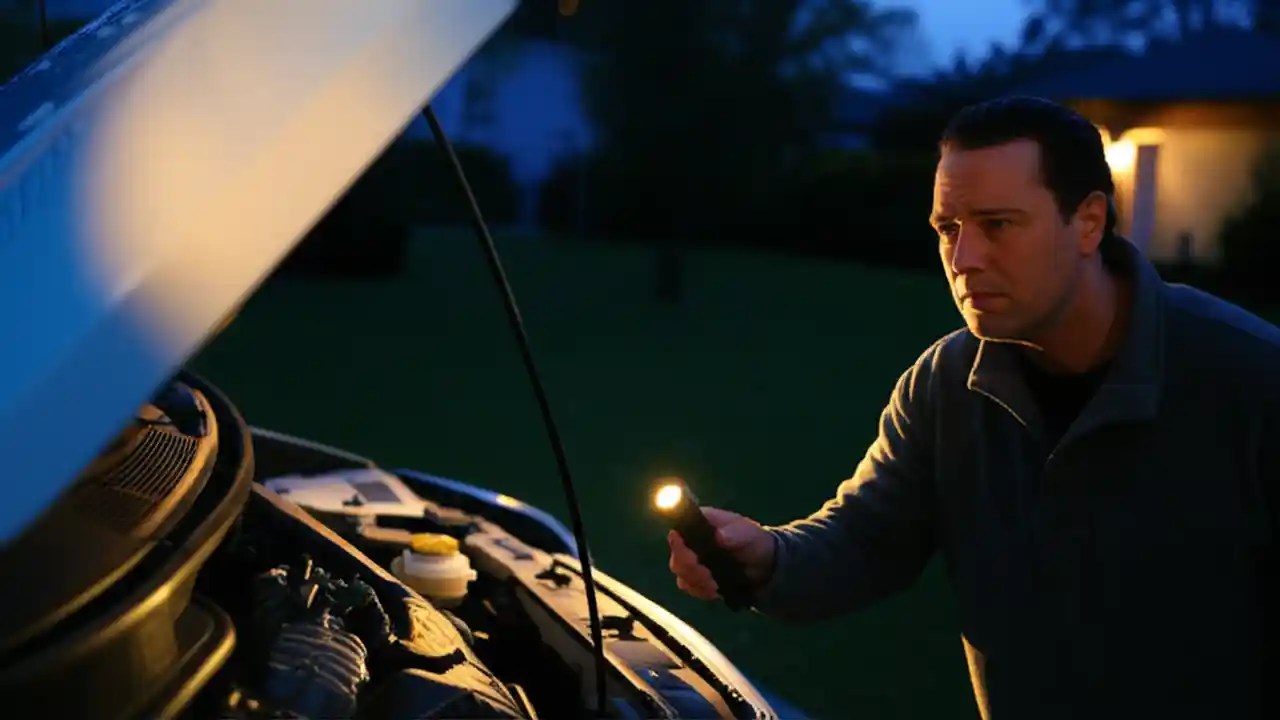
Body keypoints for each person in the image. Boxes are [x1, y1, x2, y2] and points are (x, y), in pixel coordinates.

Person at [667, 96, 1279, 719]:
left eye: (998, 225)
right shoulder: (946, 382)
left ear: (1089, 222)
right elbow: (863, 540)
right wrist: (767, 556)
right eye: (948, 229)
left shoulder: (1250, 379)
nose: (963, 261)